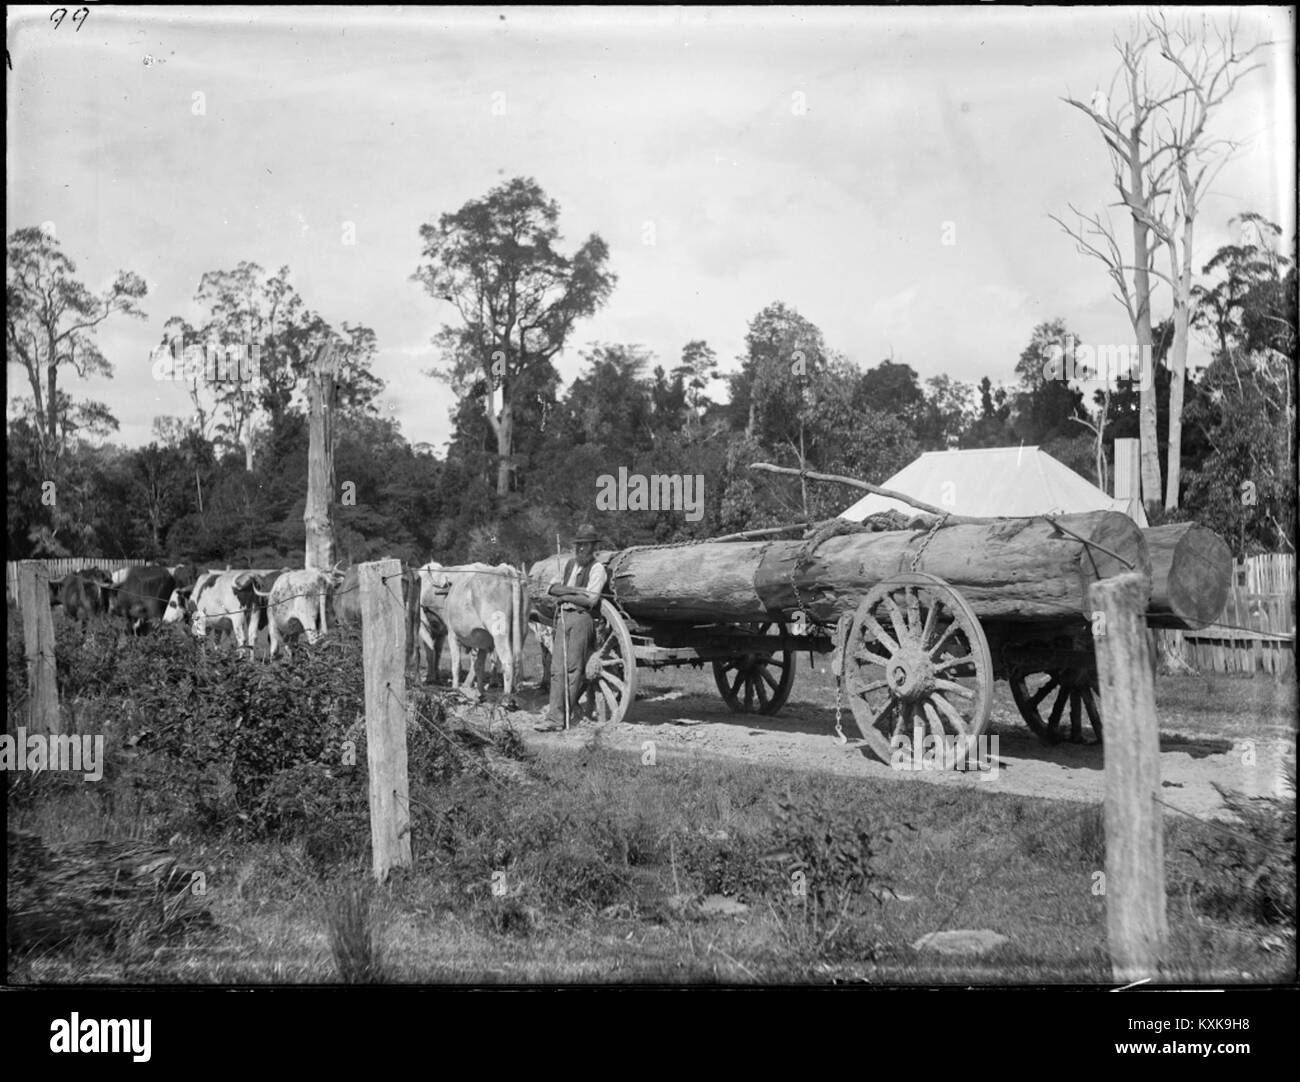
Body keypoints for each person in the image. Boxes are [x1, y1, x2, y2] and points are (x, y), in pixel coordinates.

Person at [537, 524, 607, 731]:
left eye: (585, 545)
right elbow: (552, 588)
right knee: (556, 670)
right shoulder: (568, 565)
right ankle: (554, 717)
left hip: (580, 618)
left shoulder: (597, 569)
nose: (580, 549)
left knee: (574, 669)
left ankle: (565, 716)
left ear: (593, 547)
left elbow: (591, 599)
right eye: (578, 545)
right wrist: (572, 592)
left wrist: (565, 595)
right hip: (563, 618)